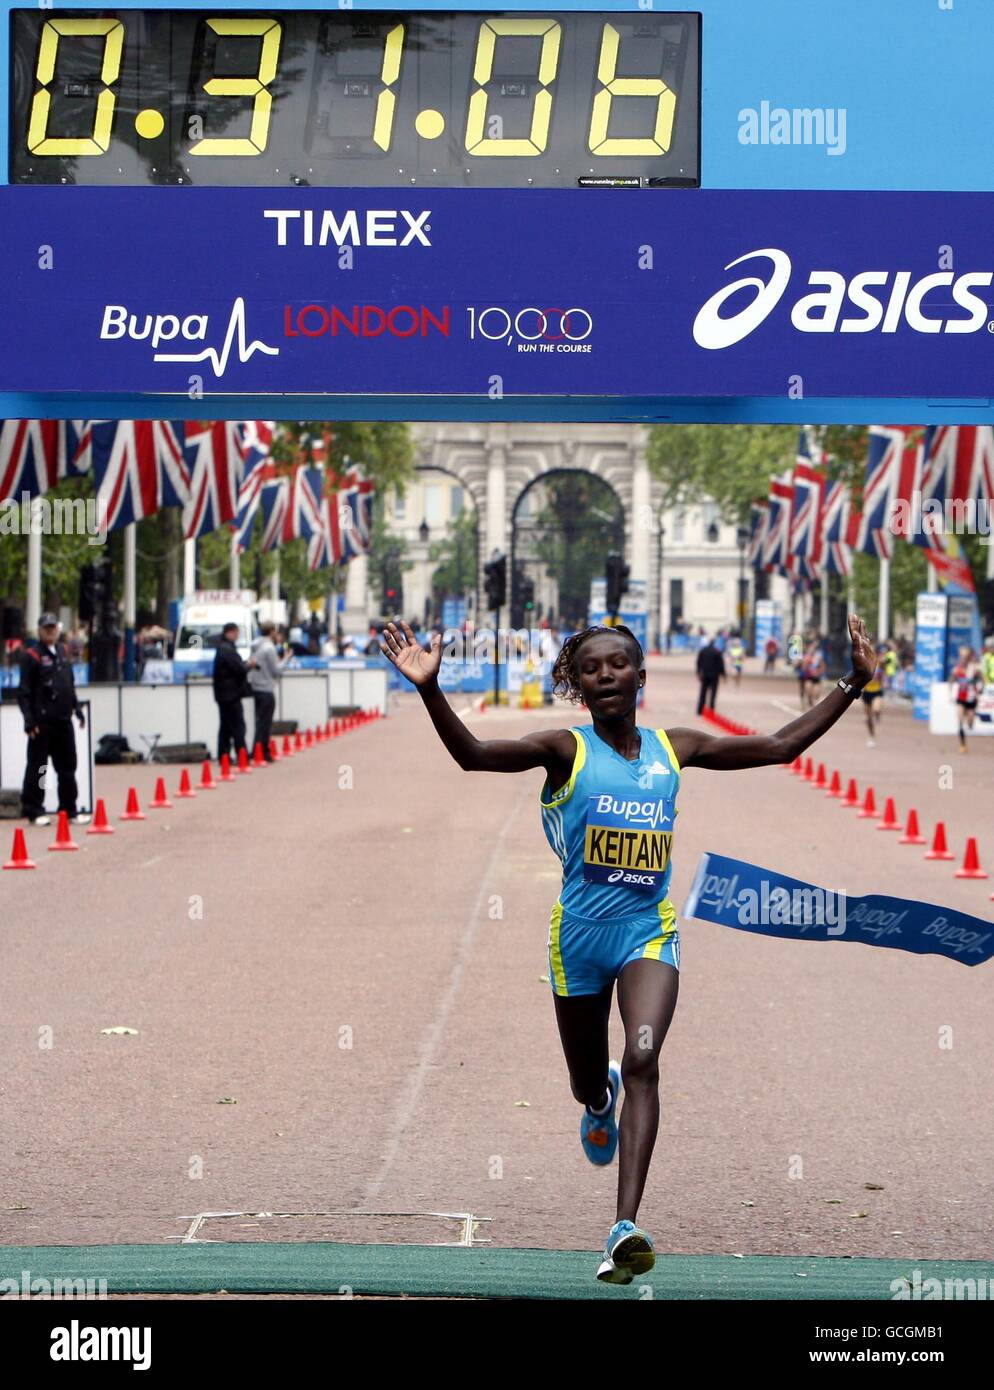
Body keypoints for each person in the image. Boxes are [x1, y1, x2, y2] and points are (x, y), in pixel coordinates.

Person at [380, 613, 876, 1283]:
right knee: (590, 1080)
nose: (606, 674)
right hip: (579, 942)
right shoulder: (565, 749)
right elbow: (472, 754)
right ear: (576, 683)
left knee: (644, 1056)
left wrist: (854, 681)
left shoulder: (679, 748)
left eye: (618, 664)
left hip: (648, 932)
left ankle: (623, 1229)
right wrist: (429, 689)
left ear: (640, 677)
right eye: (591, 668)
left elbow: (782, 744)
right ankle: (595, 1101)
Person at [17, 613, 91, 827]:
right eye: (46, 628)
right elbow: (24, 692)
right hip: (42, 723)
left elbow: (69, 683)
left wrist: (76, 708)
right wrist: (29, 722)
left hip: (62, 720)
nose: (51, 631)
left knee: (68, 768)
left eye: (53, 627)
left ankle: (69, 809)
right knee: (39, 768)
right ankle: (34, 809)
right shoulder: (31, 656)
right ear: (40, 630)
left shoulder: (62, 652)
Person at [212, 621, 250, 763]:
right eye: (237, 632)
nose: (238, 635)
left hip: (224, 694)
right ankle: (242, 756)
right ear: (231, 632)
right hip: (231, 694)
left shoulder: (222, 648)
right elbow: (239, 669)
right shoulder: (227, 650)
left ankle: (224, 756)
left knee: (226, 727)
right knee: (237, 726)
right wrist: (248, 665)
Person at [248, 621, 284, 762]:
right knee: (265, 722)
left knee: (259, 721)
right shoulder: (269, 648)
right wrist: (286, 659)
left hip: (256, 686)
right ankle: (262, 751)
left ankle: (257, 750)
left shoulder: (256, 646)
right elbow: (276, 670)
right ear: (272, 632)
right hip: (266, 687)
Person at [951, 646, 983, 753]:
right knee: (959, 720)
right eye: (961, 657)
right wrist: (950, 690)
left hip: (971, 698)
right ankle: (962, 744)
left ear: (969, 657)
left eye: (965, 657)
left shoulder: (974, 669)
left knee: (970, 723)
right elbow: (951, 680)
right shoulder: (957, 669)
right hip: (961, 698)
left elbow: (981, 679)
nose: (963, 659)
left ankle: (969, 720)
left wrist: (980, 689)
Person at [695, 636, 725, 715]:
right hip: (714, 676)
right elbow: (721, 665)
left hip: (704, 675)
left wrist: (698, 672)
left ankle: (700, 710)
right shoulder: (717, 652)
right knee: (713, 694)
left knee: (703, 693)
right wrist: (723, 675)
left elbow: (698, 663)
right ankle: (711, 710)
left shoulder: (703, 651)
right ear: (714, 643)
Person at [861, 651, 884, 746]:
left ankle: (878, 716)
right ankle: (871, 737)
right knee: (868, 719)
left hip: (877, 692)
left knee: (876, 709)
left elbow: (885, 661)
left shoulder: (880, 664)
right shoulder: (864, 666)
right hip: (866, 693)